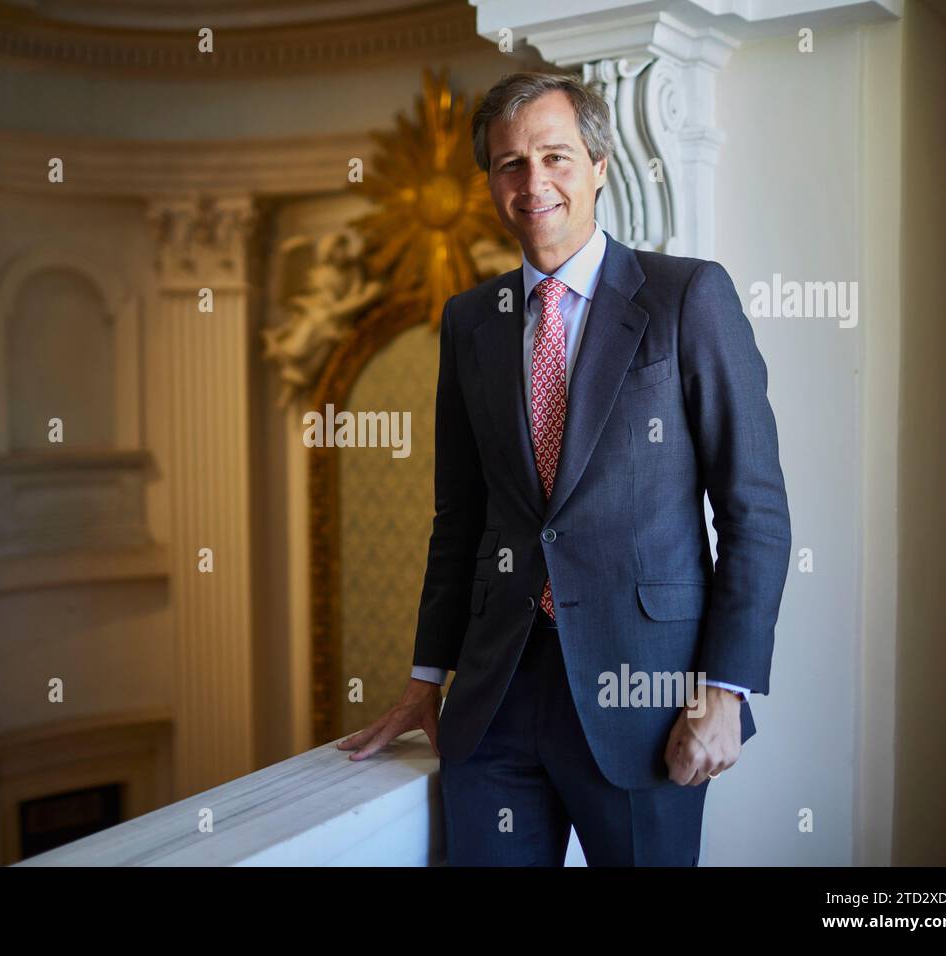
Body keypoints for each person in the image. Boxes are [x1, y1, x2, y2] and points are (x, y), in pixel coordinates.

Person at [337, 71, 792, 866]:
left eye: (555, 156)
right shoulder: (470, 321)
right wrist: (424, 675)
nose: (533, 182)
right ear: (490, 182)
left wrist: (727, 688)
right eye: (510, 164)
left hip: (646, 702)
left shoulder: (689, 297)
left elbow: (755, 510)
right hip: (495, 700)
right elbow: (461, 516)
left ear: (601, 164)